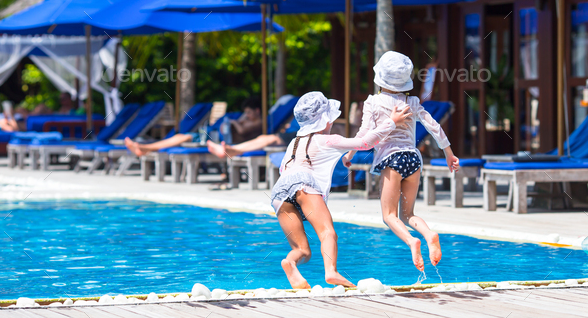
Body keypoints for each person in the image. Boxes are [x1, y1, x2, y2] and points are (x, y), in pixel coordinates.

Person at [272, 91, 410, 289]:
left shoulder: (293, 143)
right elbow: (365, 143)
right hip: (303, 183)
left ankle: (291, 262)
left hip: (279, 192)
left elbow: (284, 169)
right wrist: (391, 121)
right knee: (328, 232)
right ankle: (331, 271)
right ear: (324, 120)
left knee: (303, 250)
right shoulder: (327, 140)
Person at [343, 51, 459, 272]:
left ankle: (412, 242)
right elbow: (433, 126)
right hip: (413, 159)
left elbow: (363, 135)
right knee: (409, 215)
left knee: (389, 216)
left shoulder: (373, 102)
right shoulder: (412, 101)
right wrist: (449, 153)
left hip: (392, 159)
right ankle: (428, 234)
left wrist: (348, 155)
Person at [124, 96, 263, 156]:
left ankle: (145, 148)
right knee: (182, 136)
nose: (246, 116)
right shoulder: (249, 119)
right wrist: (242, 118)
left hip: (224, 143)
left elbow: (242, 130)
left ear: (257, 111)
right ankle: (145, 148)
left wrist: (235, 121)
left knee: (183, 137)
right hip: (216, 139)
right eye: (246, 113)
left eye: (249, 113)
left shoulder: (259, 122)